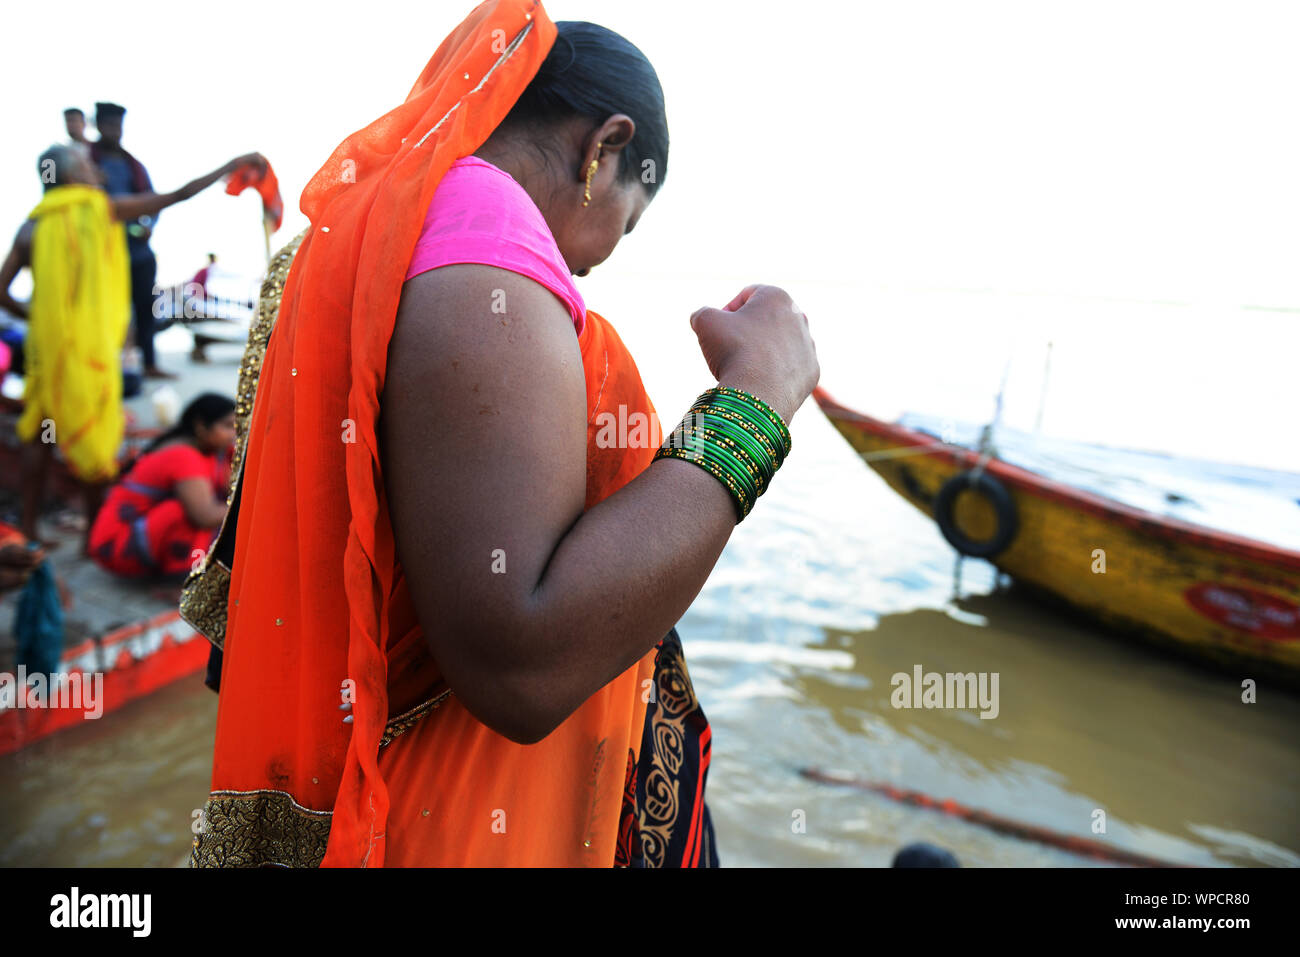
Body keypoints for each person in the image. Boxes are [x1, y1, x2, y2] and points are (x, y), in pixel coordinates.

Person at [189, 0, 818, 869]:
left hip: (380, 778)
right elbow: (520, 661)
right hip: (443, 823)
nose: (593, 263)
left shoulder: (368, 229)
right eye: (624, 222)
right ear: (606, 146)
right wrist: (760, 399)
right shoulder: (483, 231)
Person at [0, 144, 265, 548]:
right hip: (88, 354)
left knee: (41, 432)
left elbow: (2, 292)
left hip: (46, 351)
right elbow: (177, 196)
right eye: (88, 166)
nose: (96, 172)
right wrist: (230, 165)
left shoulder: (30, 227)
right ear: (72, 174)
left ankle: (31, 531)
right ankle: (92, 532)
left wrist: (41, 320)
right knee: (98, 436)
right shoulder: (101, 208)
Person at [87, 393, 234, 578]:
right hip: (116, 545)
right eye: (227, 426)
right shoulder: (183, 455)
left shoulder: (213, 450)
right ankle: (182, 578)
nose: (234, 434)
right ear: (201, 426)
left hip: (133, 535)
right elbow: (204, 516)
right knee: (189, 512)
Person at [89, 102, 173, 380]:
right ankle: (105, 367)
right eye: (110, 125)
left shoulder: (133, 165)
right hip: (103, 251)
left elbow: (154, 201)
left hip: (138, 250)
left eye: (118, 125)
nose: (116, 131)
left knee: (145, 306)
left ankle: (148, 363)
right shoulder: (87, 163)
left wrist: (149, 225)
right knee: (107, 309)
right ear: (99, 126)